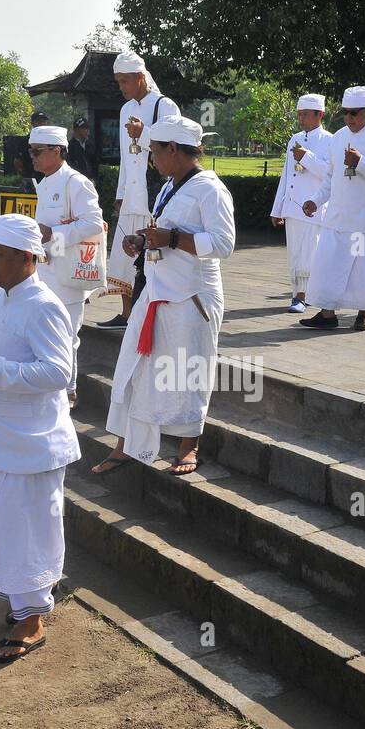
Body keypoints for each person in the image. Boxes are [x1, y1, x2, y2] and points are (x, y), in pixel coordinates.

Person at [0, 213, 81, 663]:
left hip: (33, 440)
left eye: (1, 257)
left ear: (28, 258)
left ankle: (32, 619)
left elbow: (60, 373)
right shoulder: (4, 299)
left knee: (27, 529)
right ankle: (18, 600)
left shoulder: (44, 304)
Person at [91, 116, 236, 476]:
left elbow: (223, 244)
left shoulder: (210, 189)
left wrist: (170, 240)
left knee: (188, 371)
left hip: (193, 297)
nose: (151, 159)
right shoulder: (170, 186)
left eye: (154, 151)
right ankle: (128, 444)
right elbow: (165, 232)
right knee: (133, 367)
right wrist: (142, 241)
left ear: (173, 149)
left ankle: (190, 446)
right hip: (157, 291)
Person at [297, 85, 365, 331]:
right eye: (345, 112)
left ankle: (363, 314)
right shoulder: (339, 137)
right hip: (338, 217)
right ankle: (327, 314)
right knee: (327, 266)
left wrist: (361, 162)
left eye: (354, 113)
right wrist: (315, 199)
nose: (349, 118)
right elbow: (331, 177)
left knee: (363, 270)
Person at [100, 51, 181, 330]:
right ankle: (125, 314)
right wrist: (120, 195)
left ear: (140, 77)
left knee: (151, 256)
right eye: (118, 82)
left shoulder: (164, 105)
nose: (122, 87)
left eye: (125, 81)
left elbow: (174, 147)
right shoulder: (125, 110)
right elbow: (126, 157)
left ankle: (147, 314)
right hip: (132, 194)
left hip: (154, 194)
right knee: (123, 255)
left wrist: (143, 132)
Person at [30, 124, 105, 406]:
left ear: (57, 151)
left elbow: (94, 222)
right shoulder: (45, 182)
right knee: (48, 331)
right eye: (30, 151)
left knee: (67, 334)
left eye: (37, 151)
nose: (33, 157)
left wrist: (53, 234)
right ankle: (53, 391)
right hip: (46, 269)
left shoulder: (76, 182)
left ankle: (69, 392)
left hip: (71, 273)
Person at [269, 93, 333, 313]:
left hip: (313, 208)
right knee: (294, 254)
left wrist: (306, 157)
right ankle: (297, 293)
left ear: (320, 115)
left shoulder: (329, 140)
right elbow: (286, 177)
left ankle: (303, 296)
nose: (301, 119)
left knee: (309, 253)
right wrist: (277, 208)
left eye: (306, 115)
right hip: (292, 206)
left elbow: (329, 174)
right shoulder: (294, 139)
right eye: (300, 115)